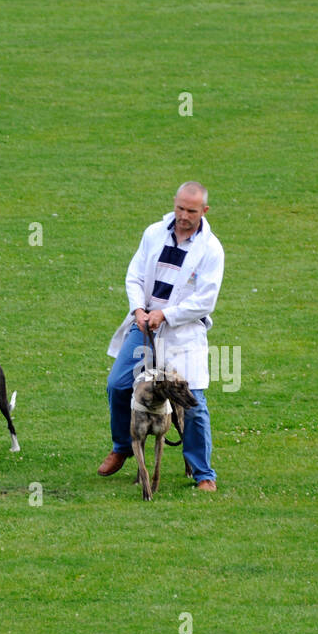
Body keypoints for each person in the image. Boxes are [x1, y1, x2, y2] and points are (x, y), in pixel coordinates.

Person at [100, 182, 225, 491]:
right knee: (118, 385)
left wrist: (166, 314)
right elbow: (134, 276)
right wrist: (138, 310)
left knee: (193, 400)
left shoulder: (211, 249)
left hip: (183, 331)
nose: (183, 215)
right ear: (174, 203)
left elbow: (206, 301)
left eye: (191, 211)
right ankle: (123, 446)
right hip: (145, 325)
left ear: (204, 211)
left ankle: (203, 473)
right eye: (180, 208)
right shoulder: (154, 233)